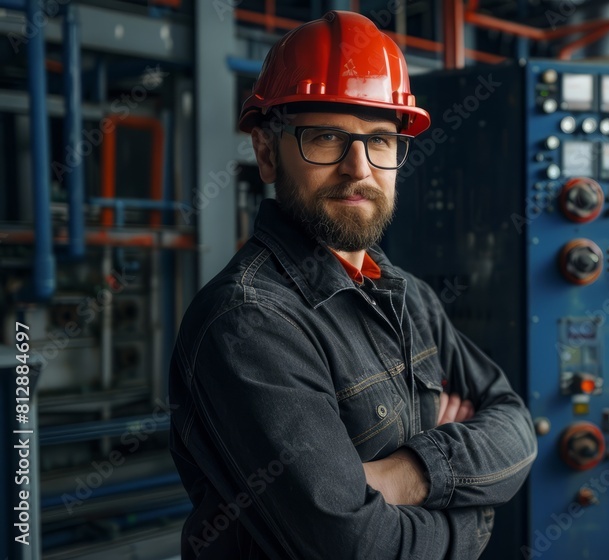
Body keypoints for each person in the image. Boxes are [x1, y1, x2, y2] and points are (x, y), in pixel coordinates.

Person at [167, 11, 537, 559]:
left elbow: (516, 426)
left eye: (381, 141)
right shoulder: (248, 323)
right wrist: (476, 522)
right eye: (326, 137)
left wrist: (410, 472)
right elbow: (352, 547)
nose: (358, 168)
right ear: (267, 153)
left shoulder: (408, 295)